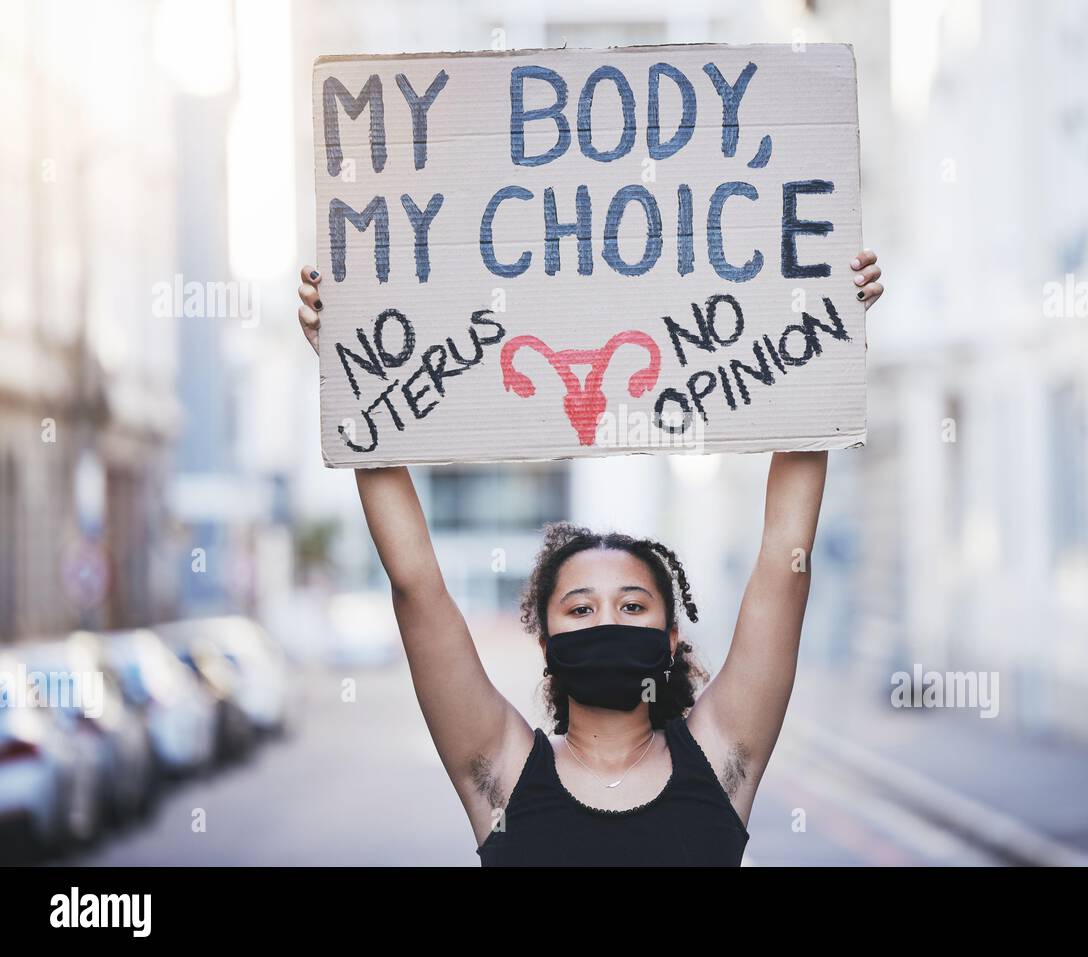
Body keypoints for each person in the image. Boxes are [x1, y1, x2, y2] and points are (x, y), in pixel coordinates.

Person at [295, 252, 883, 865]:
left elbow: (786, 560)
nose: (607, 621)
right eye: (580, 609)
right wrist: (353, 373)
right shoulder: (502, 771)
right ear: (545, 642)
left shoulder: (721, 756)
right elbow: (416, 585)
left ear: (672, 637)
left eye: (632, 606)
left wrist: (827, 345)